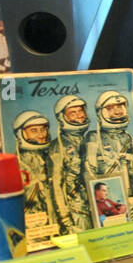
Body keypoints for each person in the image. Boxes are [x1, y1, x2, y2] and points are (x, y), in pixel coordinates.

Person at [83, 90, 133, 219]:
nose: (117, 112)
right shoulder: (94, 138)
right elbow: (88, 173)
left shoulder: (131, 140)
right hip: (106, 205)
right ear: (102, 112)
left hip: (131, 201)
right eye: (110, 108)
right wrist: (103, 203)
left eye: (120, 107)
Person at [49, 94, 91, 232]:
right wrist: (64, 216)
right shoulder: (58, 146)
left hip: (95, 206)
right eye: (73, 112)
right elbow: (56, 184)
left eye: (81, 111)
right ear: (63, 117)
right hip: (76, 211)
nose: (79, 115)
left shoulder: (90, 140)